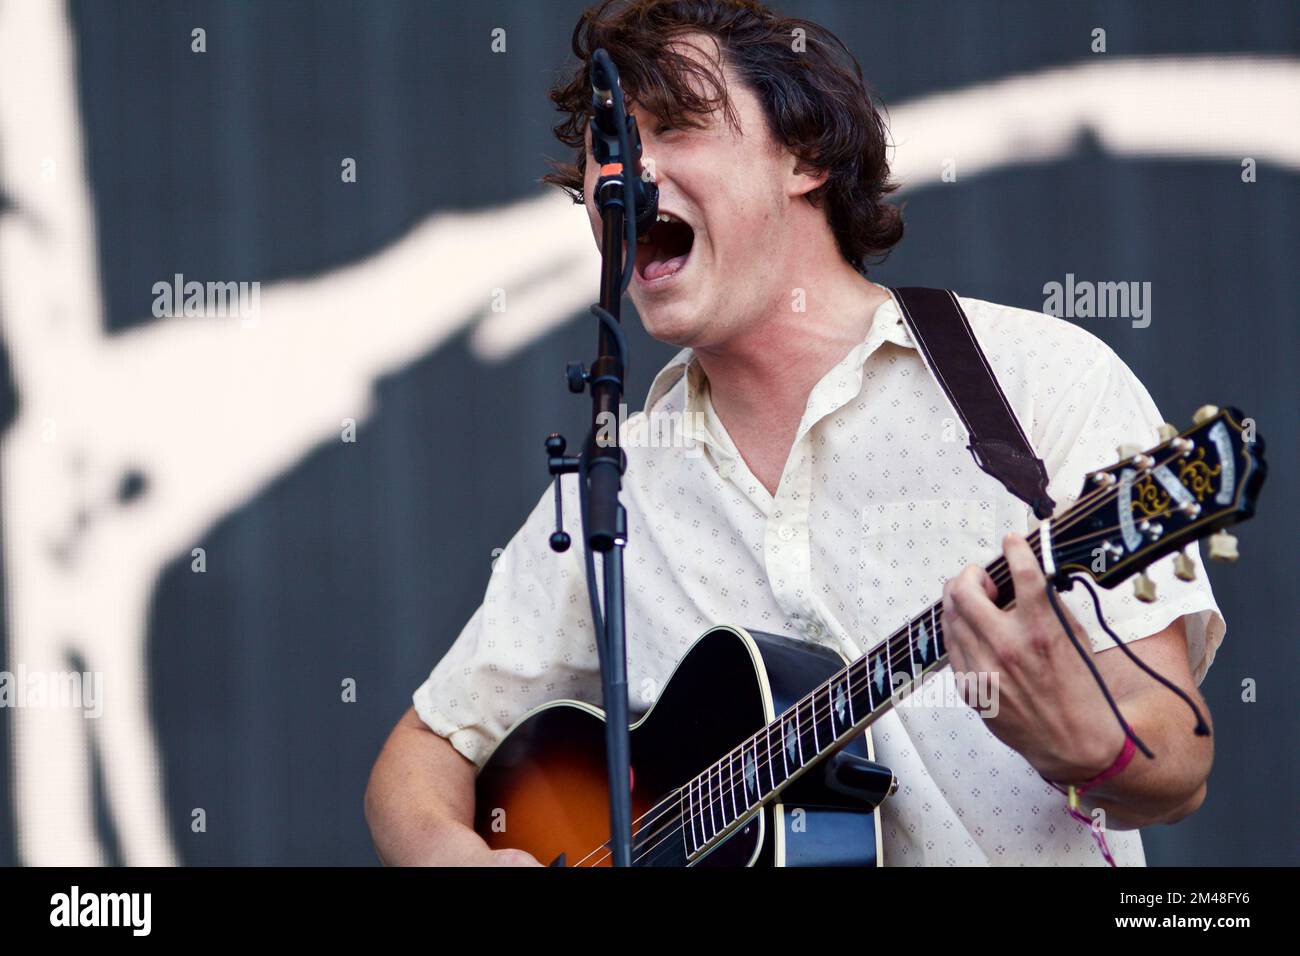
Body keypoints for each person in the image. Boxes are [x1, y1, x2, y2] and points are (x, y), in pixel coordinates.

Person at [364, 0, 1222, 866]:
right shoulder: (617, 486)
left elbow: (1176, 764)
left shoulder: (1035, 383)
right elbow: (420, 759)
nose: (626, 175)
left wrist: (1083, 747)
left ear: (803, 155)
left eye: (677, 127)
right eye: (609, 147)